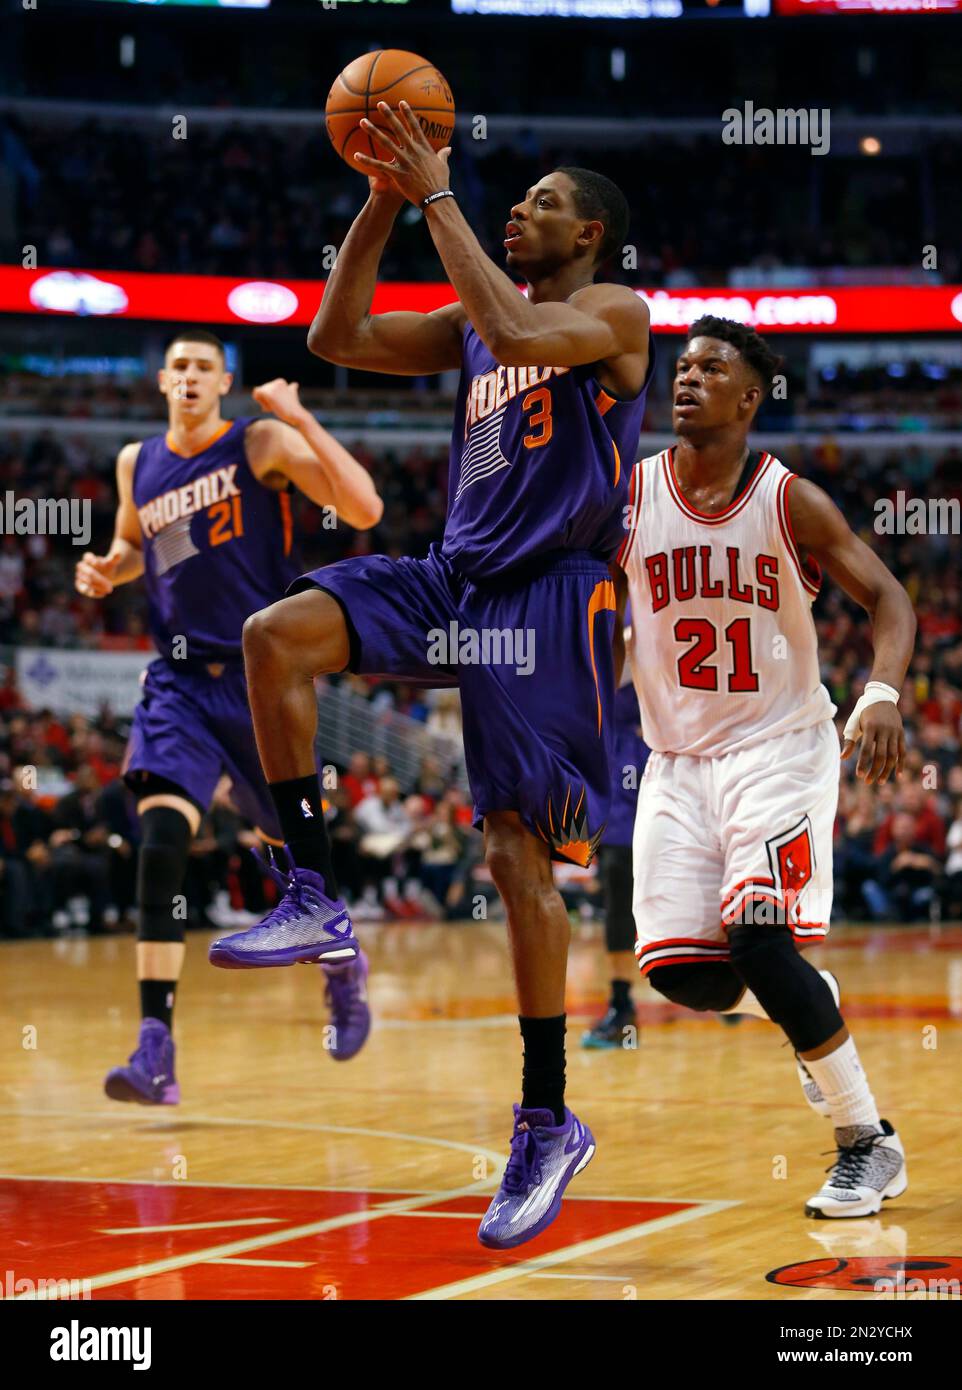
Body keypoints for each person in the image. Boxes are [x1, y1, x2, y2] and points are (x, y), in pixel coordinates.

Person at [207, 104, 653, 1249]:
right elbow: (335, 335)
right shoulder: (470, 319)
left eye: (542, 202)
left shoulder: (613, 313)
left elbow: (514, 334)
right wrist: (380, 197)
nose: (518, 208)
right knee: (273, 637)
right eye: (513, 199)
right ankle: (310, 890)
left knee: (513, 855)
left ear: (592, 234)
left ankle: (546, 1114)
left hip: (549, 596)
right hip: (454, 575)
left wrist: (440, 194)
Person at [616, 316, 916, 1219]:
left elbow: (890, 597)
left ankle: (868, 1141)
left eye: (713, 370)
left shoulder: (791, 502)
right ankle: (802, 1000)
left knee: (754, 936)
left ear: (751, 398)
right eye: (683, 366)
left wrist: (884, 693)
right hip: (674, 761)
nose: (687, 379)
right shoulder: (627, 496)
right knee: (680, 974)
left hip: (777, 750)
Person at [74, 329, 382, 1104]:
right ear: (161, 380)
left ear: (224, 383)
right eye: (176, 364)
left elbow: (361, 504)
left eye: (202, 367)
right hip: (178, 682)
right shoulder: (134, 463)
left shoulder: (260, 441)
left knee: (296, 859)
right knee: (162, 840)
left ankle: (342, 970)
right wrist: (112, 566)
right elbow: (143, 546)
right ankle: (155, 1048)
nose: (187, 376)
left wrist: (302, 419)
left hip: (258, 679)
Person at [582, 610, 649, 1049]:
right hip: (616, 770)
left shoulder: (635, 608)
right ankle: (622, 1004)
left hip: (650, 760)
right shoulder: (601, 597)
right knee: (619, 892)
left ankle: (732, 982)